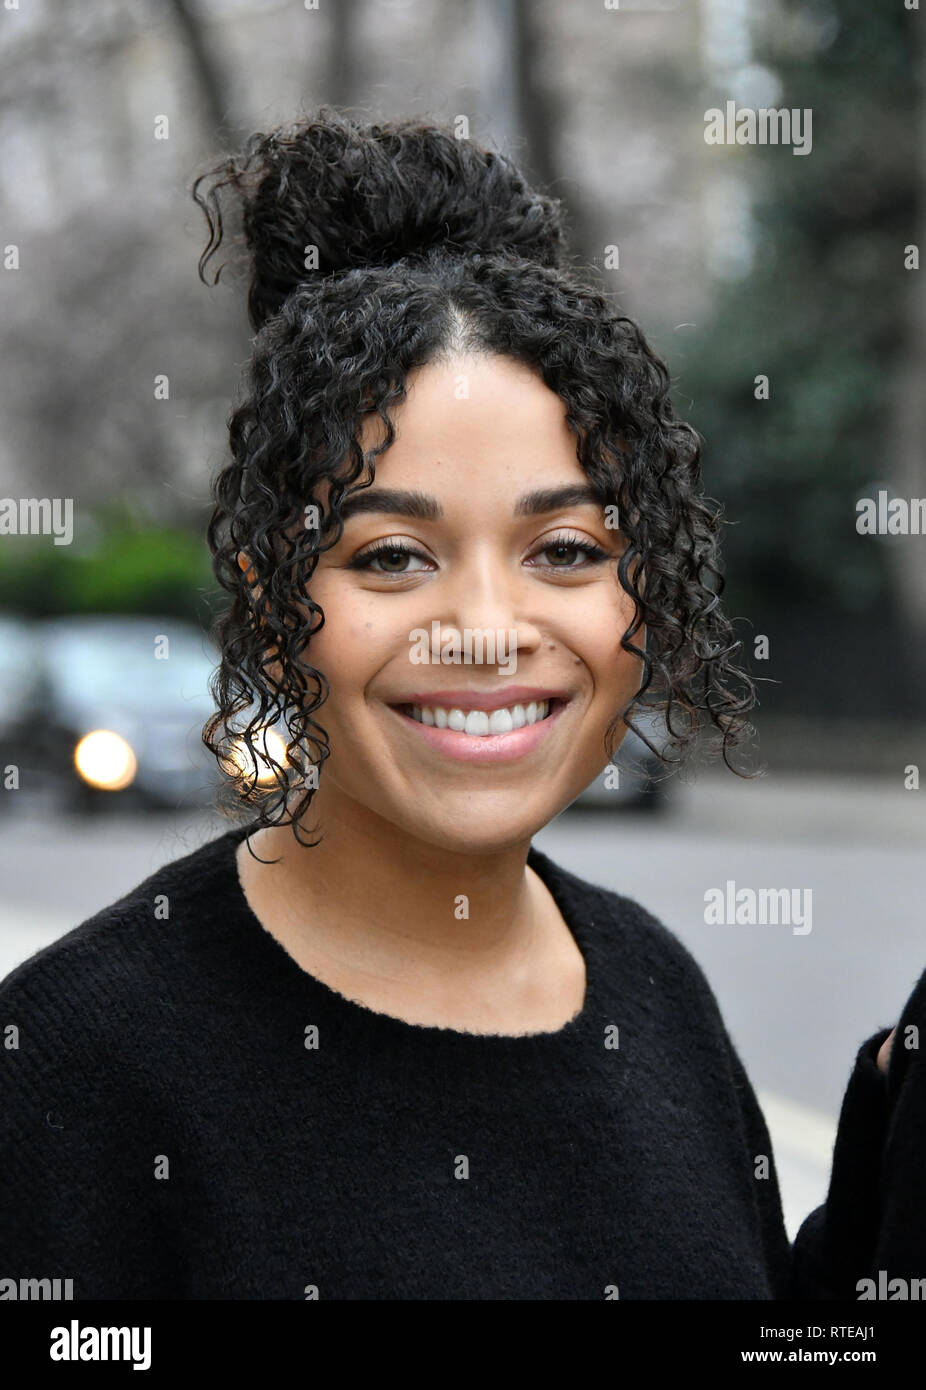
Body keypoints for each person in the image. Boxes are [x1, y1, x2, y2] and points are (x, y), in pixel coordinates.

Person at [0, 108, 922, 1301]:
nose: (486, 630)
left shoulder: (653, 991)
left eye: (565, 550)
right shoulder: (68, 1074)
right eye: (390, 556)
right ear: (270, 595)